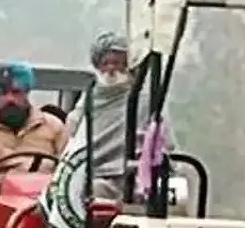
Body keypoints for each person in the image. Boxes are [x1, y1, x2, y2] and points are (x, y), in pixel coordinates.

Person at [64, 32, 175, 200]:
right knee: (93, 191)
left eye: (117, 63)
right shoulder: (89, 99)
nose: (111, 69)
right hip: (96, 175)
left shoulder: (145, 100)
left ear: (128, 66)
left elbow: (166, 142)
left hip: (137, 176)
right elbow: (72, 131)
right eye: (105, 63)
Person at [0, 62, 67, 187]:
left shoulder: (52, 125)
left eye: (16, 92)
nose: (10, 99)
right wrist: (22, 165)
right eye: (3, 93)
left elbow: (68, 163)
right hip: (1, 196)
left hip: (45, 194)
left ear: (26, 94)